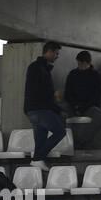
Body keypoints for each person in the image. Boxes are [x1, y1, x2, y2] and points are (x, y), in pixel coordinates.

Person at [23, 41, 64, 169]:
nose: (57, 56)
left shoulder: (37, 67)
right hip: (40, 109)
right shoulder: (39, 69)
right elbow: (43, 93)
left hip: (33, 109)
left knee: (40, 139)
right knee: (60, 131)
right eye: (56, 53)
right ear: (49, 52)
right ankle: (38, 158)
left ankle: (37, 162)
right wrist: (57, 108)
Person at [63, 50, 101, 146]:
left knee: (97, 114)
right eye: (79, 63)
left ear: (88, 63)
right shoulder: (73, 74)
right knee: (61, 110)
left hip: (89, 107)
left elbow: (96, 96)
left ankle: (82, 141)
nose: (80, 66)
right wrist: (75, 106)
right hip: (74, 106)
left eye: (82, 63)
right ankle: (67, 141)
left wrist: (82, 107)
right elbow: (68, 94)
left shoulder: (95, 76)